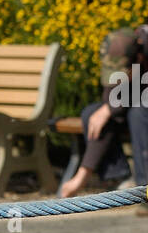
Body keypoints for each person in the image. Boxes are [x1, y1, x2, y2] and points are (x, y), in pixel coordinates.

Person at [59, 27, 144, 199]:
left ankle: (145, 187)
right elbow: (112, 99)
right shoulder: (118, 51)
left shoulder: (143, 50)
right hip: (136, 100)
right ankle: (120, 179)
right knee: (93, 113)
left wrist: (81, 177)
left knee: (139, 113)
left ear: (138, 57)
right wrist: (108, 109)